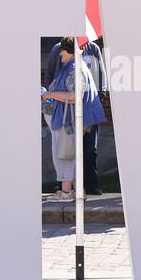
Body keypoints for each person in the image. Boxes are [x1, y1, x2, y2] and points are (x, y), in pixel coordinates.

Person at [42, 37, 106, 203]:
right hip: (73, 117)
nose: (59, 53)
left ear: (69, 51)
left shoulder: (74, 69)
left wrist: (48, 94)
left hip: (73, 119)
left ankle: (66, 192)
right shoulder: (72, 66)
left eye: (62, 49)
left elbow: (75, 96)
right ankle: (77, 190)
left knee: (68, 153)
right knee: (73, 153)